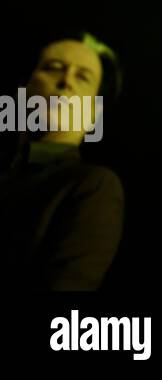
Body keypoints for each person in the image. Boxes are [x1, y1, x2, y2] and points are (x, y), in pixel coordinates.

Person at [0, 33, 125, 289]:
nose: (66, 81)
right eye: (53, 68)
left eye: (83, 77)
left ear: (94, 114)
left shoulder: (92, 185)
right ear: (23, 90)